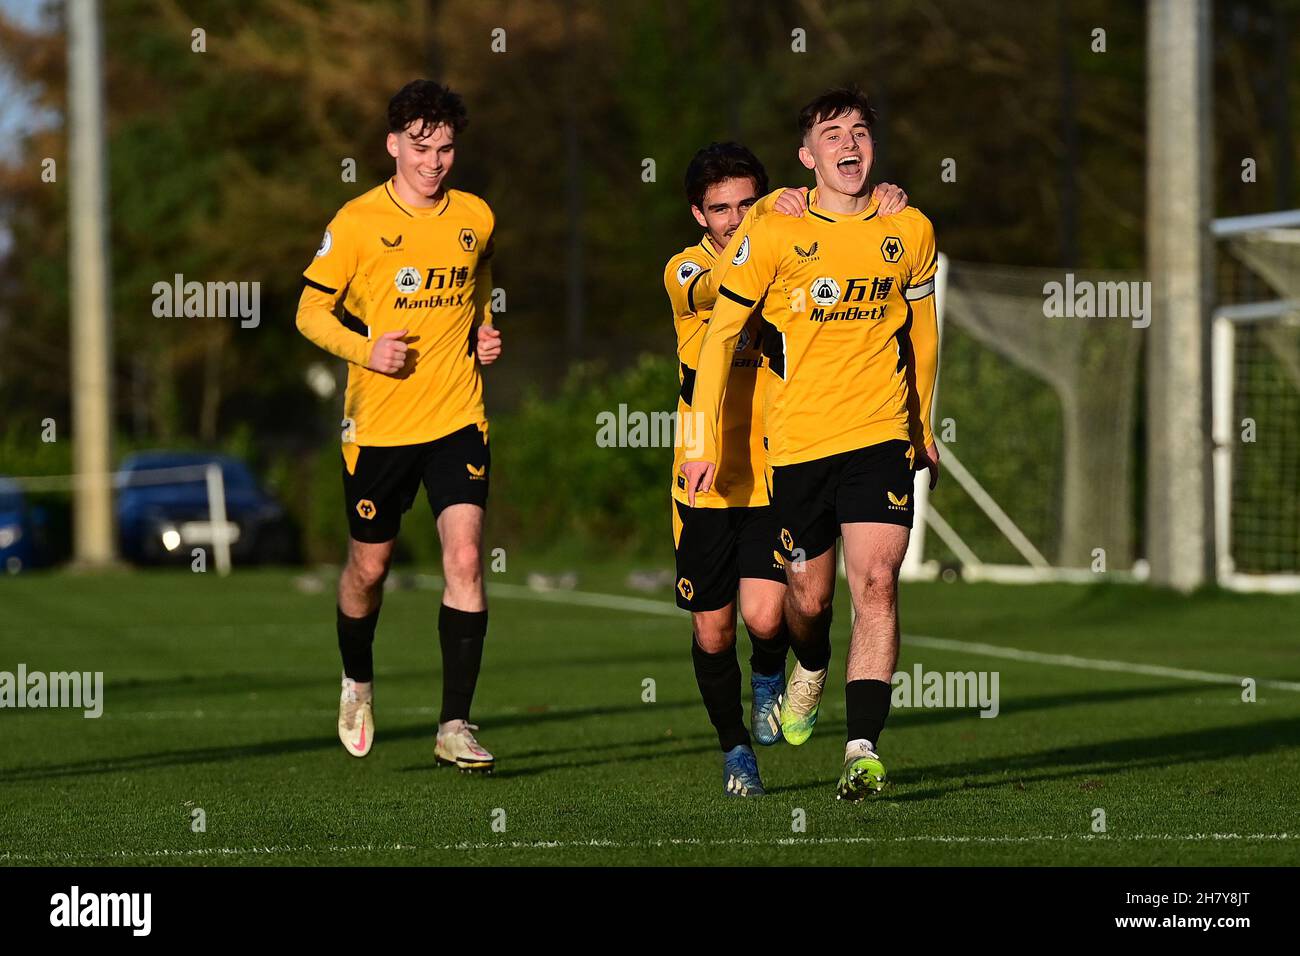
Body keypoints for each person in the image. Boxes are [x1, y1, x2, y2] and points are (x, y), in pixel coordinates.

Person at [681, 88, 940, 800]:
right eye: (832, 134)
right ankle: (810, 666)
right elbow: (721, 338)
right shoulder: (773, 231)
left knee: (879, 585)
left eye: (860, 132)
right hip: (796, 448)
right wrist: (700, 440)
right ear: (807, 156)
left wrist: (922, 422)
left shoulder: (910, 228)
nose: (848, 144)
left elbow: (923, 334)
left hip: (881, 432)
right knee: (807, 600)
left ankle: (861, 748)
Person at [296, 79, 502, 772]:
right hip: (379, 427)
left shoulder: (476, 215)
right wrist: (366, 348)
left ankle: (454, 725)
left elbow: (479, 282)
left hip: (456, 418)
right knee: (369, 567)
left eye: (445, 148)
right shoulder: (355, 223)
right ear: (392, 145)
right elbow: (308, 313)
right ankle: (357, 680)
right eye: (420, 148)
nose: (434, 161)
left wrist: (483, 330)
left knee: (467, 559)